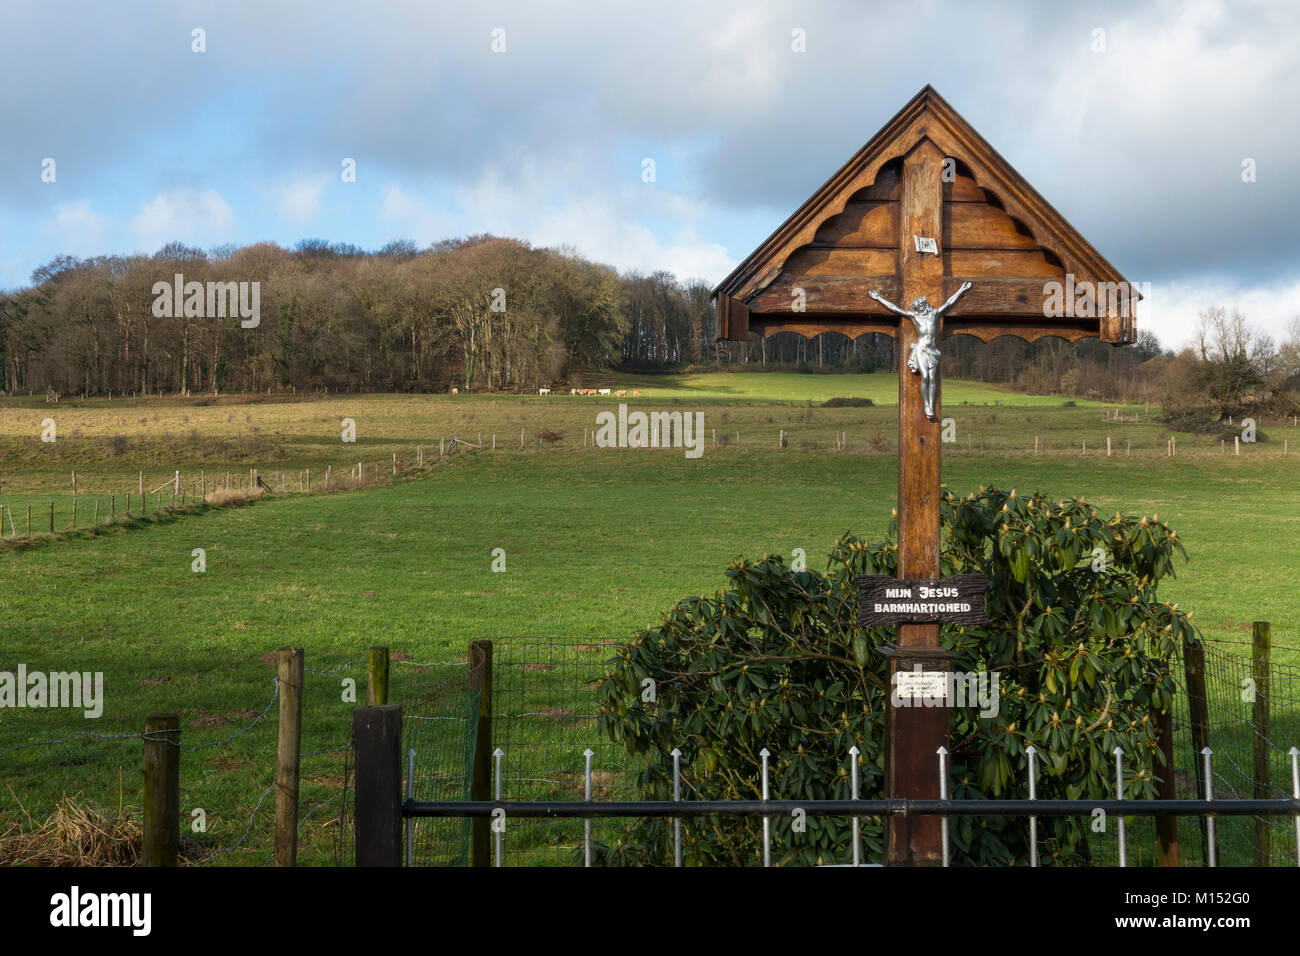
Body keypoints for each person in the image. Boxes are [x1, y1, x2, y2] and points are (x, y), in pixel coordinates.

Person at [868, 282, 973, 420]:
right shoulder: (915, 317)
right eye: (923, 305)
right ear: (919, 308)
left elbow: (948, 303)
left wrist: (961, 289)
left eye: (926, 304)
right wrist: (879, 298)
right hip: (921, 350)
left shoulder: (934, 314)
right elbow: (896, 309)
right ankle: (927, 406)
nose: (927, 306)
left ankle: (930, 404)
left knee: (932, 378)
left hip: (933, 351)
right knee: (925, 377)